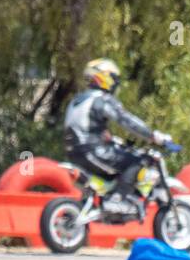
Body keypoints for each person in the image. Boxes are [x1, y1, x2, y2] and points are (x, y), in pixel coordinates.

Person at [63, 58, 174, 220]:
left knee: (121, 162)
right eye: (113, 78)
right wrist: (153, 135)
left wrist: (110, 139)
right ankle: (117, 199)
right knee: (138, 161)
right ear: (104, 77)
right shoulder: (101, 99)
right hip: (92, 150)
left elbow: (86, 127)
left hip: (75, 152)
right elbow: (126, 120)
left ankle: (111, 199)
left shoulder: (78, 99)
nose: (115, 83)